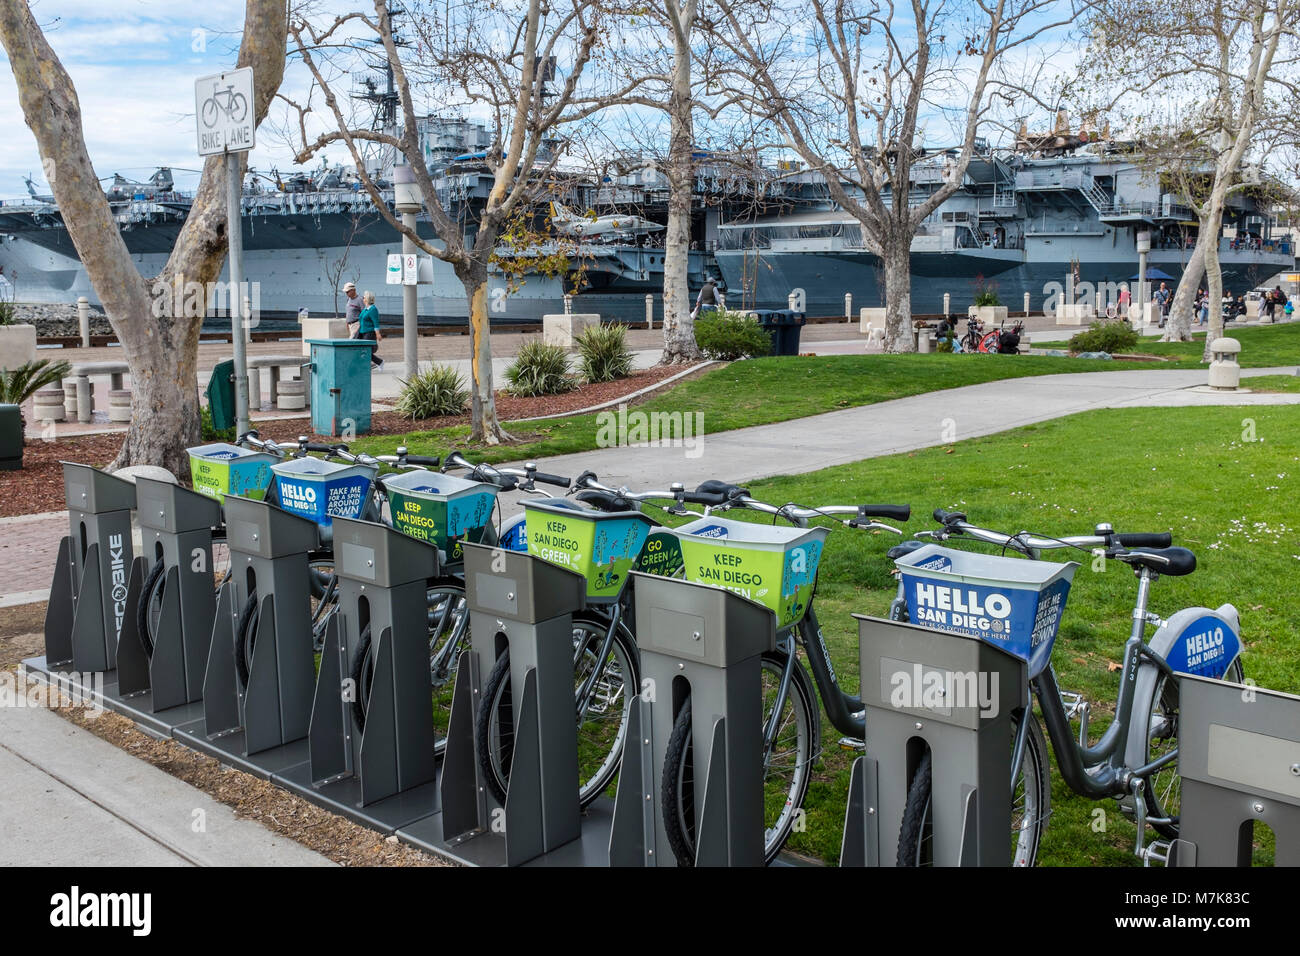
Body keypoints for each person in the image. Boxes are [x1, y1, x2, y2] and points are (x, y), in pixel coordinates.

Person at [357, 291, 384, 369]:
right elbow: (361, 318)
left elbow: (376, 322)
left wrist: (378, 334)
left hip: (369, 333)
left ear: (367, 299)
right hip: (362, 332)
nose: (363, 298)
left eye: (364, 297)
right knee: (360, 349)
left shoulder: (373, 309)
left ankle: (378, 363)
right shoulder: (366, 309)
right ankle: (379, 362)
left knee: (366, 350)